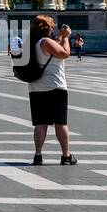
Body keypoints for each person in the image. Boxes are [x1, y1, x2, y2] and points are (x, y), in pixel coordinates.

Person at [27, 15, 75, 165]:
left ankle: (38, 155)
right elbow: (64, 53)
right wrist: (66, 38)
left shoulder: (32, 43)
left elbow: (53, 50)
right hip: (54, 86)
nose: (53, 29)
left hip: (36, 87)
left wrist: (60, 36)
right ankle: (66, 155)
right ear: (47, 28)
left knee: (40, 123)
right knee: (60, 123)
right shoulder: (46, 41)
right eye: (52, 26)